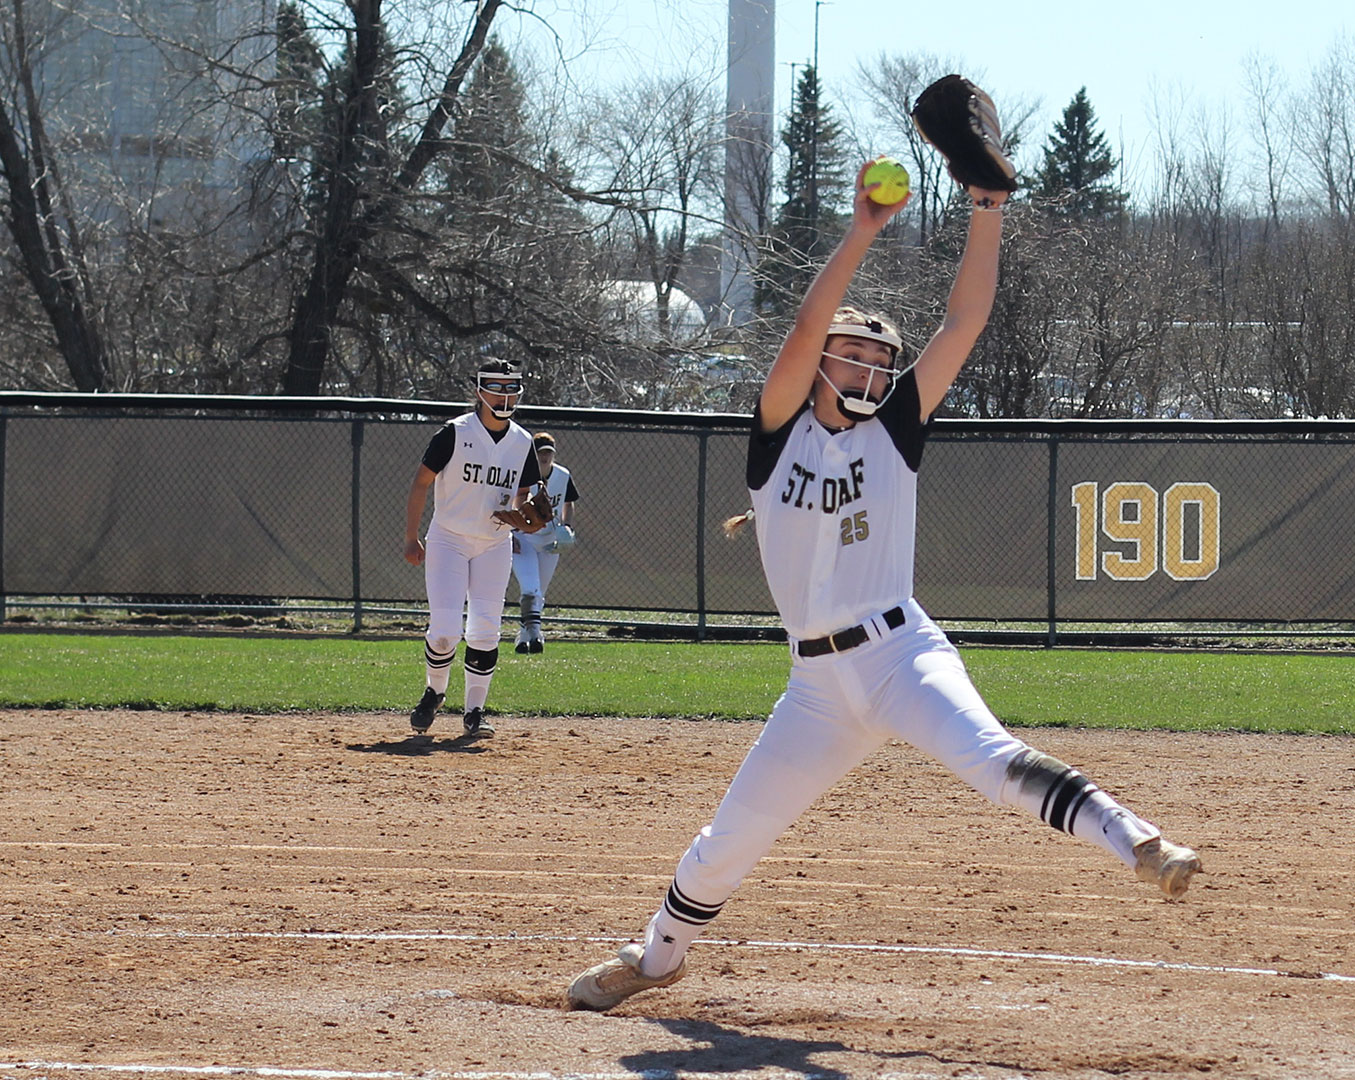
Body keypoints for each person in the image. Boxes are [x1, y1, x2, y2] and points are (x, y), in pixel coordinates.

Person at [566, 163, 1202, 1013]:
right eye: (852, 356)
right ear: (823, 361)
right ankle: (653, 961)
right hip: (816, 690)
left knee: (994, 762)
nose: (869, 372)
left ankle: (1141, 843)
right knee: (730, 839)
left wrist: (987, 209)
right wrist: (862, 228)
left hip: (902, 655)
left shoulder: (894, 433)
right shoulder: (776, 439)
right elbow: (800, 331)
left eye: (878, 362)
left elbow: (965, 317)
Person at [402, 359, 545, 739]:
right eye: (497, 387)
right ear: (479, 391)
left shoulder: (522, 441)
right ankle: (434, 692)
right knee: (446, 628)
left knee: (485, 630)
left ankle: (475, 711)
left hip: (494, 543)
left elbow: (523, 491)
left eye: (511, 388)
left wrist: (520, 512)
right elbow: (420, 483)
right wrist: (411, 536)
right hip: (448, 538)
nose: (505, 395)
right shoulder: (455, 432)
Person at [512, 431, 580, 653]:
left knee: (539, 592)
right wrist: (511, 533)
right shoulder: (521, 474)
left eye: (549, 453)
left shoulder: (562, 475)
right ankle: (535, 634)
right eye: (541, 453)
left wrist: (566, 526)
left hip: (550, 541)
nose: (545, 458)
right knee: (530, 587)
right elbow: (510, 503)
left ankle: (524, 639)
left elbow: (569, 502)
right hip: (524, 538)